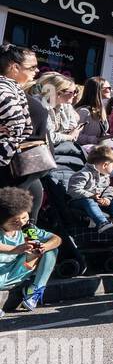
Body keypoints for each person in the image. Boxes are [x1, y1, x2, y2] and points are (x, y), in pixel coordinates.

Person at [0, 186, 60, 311]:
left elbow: (56, 239)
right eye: (15, 221)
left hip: (18, 272)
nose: (22, 223)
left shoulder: (28, 230)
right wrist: (15, 249)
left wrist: (44, 247)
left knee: (51, 251)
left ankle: (34, 291)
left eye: (24, 218)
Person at [0, 45, 40, 211]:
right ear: (14, 67)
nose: (36, 71)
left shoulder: (13, 88)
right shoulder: (4, 90)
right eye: (32, 67)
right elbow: (18, 127)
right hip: (6, 161)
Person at [68, 145, 113, 234]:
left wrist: (106, 198)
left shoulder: (105, 176)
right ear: (105, 165)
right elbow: (73, 190)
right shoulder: (83, 174)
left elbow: (108, 188)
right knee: (89, 201)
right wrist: (91, 195)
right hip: (79, 201)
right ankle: (102, 223)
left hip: (96, 201)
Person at [75, 77, 113, 147]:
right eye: (108, 88)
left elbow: (101, 133)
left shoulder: (100, 110)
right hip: (83, 152)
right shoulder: (84, 111)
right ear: (98, 90)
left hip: (95, 150)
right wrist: (96, 139)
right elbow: (75, 136)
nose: (111, 91)